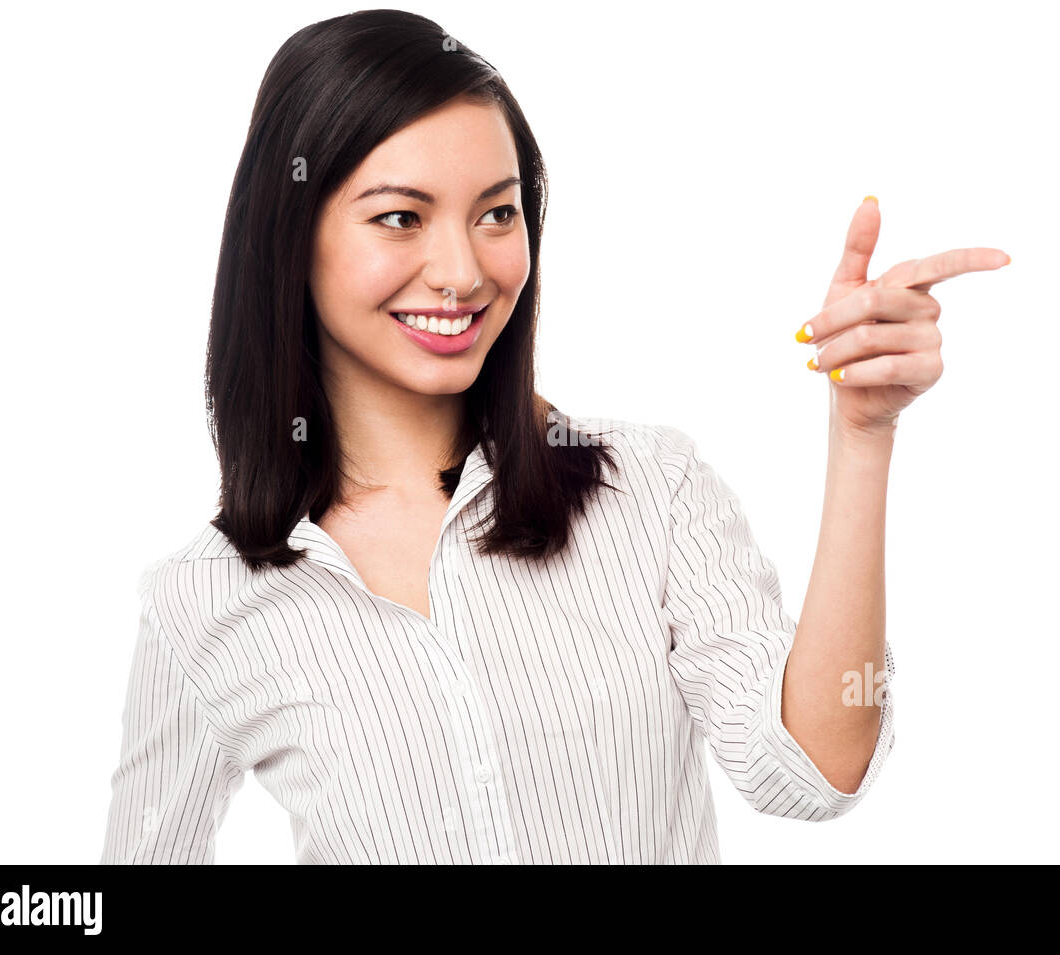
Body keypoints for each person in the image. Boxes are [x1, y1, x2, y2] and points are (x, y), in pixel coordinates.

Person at [99, 9, 1008, 865]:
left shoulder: (651, 486)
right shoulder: (201, 601)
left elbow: (813, 766)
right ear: (289, 234)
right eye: (400, 217)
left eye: (497, 212)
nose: (461, 271)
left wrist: (863, 433)